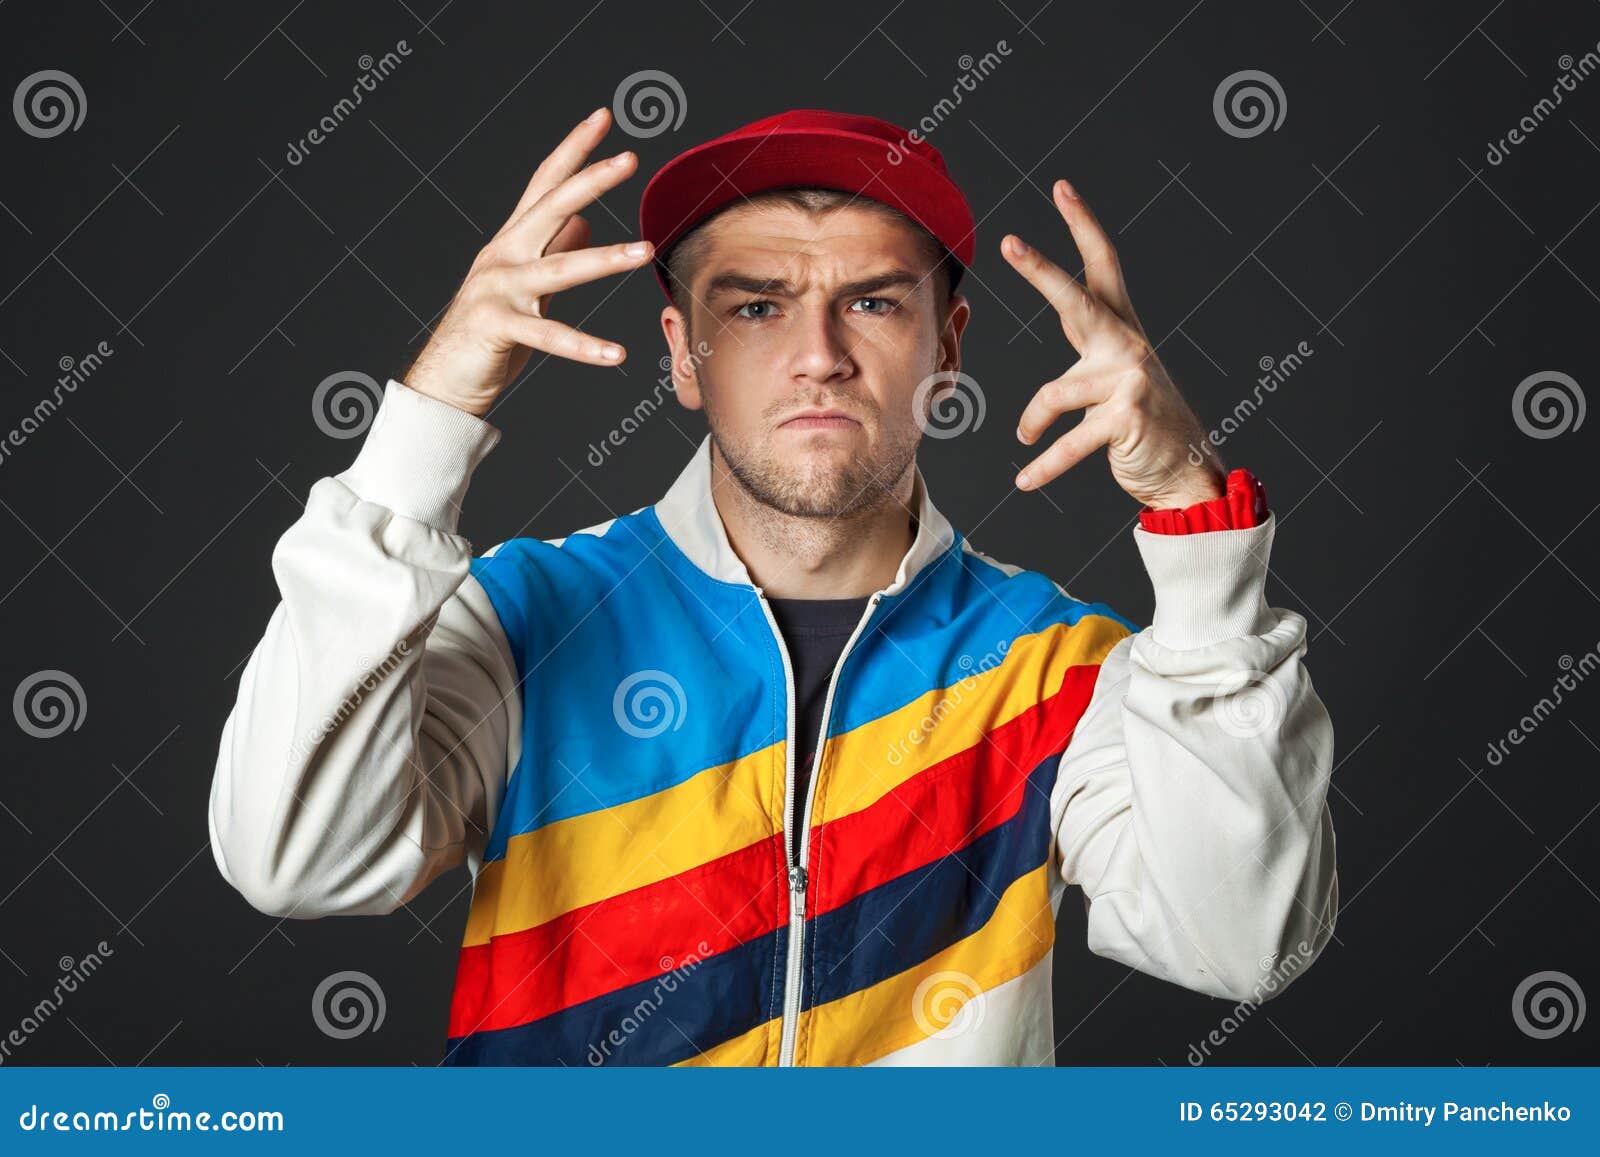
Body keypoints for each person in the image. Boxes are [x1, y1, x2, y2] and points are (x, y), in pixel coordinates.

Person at [208, 107, 1338, 1067]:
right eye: (754, 307)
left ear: (949, 346)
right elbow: (293, 858)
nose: (817, 354)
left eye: (874, 303)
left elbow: (1243, 942)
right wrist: (425, 426)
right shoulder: (525, 618)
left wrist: (1193, 522)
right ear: (683, 356)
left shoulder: (1056, 667)